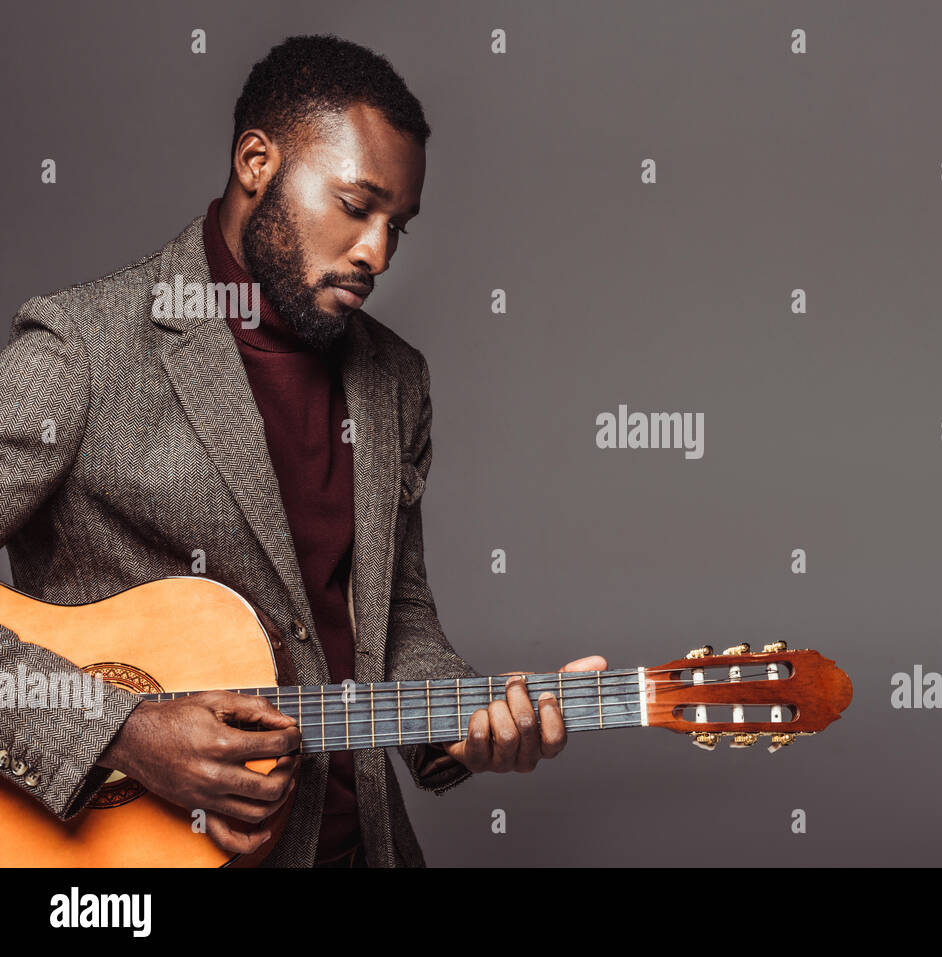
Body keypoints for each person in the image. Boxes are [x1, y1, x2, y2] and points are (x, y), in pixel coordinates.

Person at [0, 33, 604, 867]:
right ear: (256, 162)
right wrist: (123, 730)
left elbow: (396, 619)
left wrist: (465, 729)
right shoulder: (81, 350)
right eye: (356, 207)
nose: (378, 253)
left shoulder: (396, 379)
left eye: (399, 225)